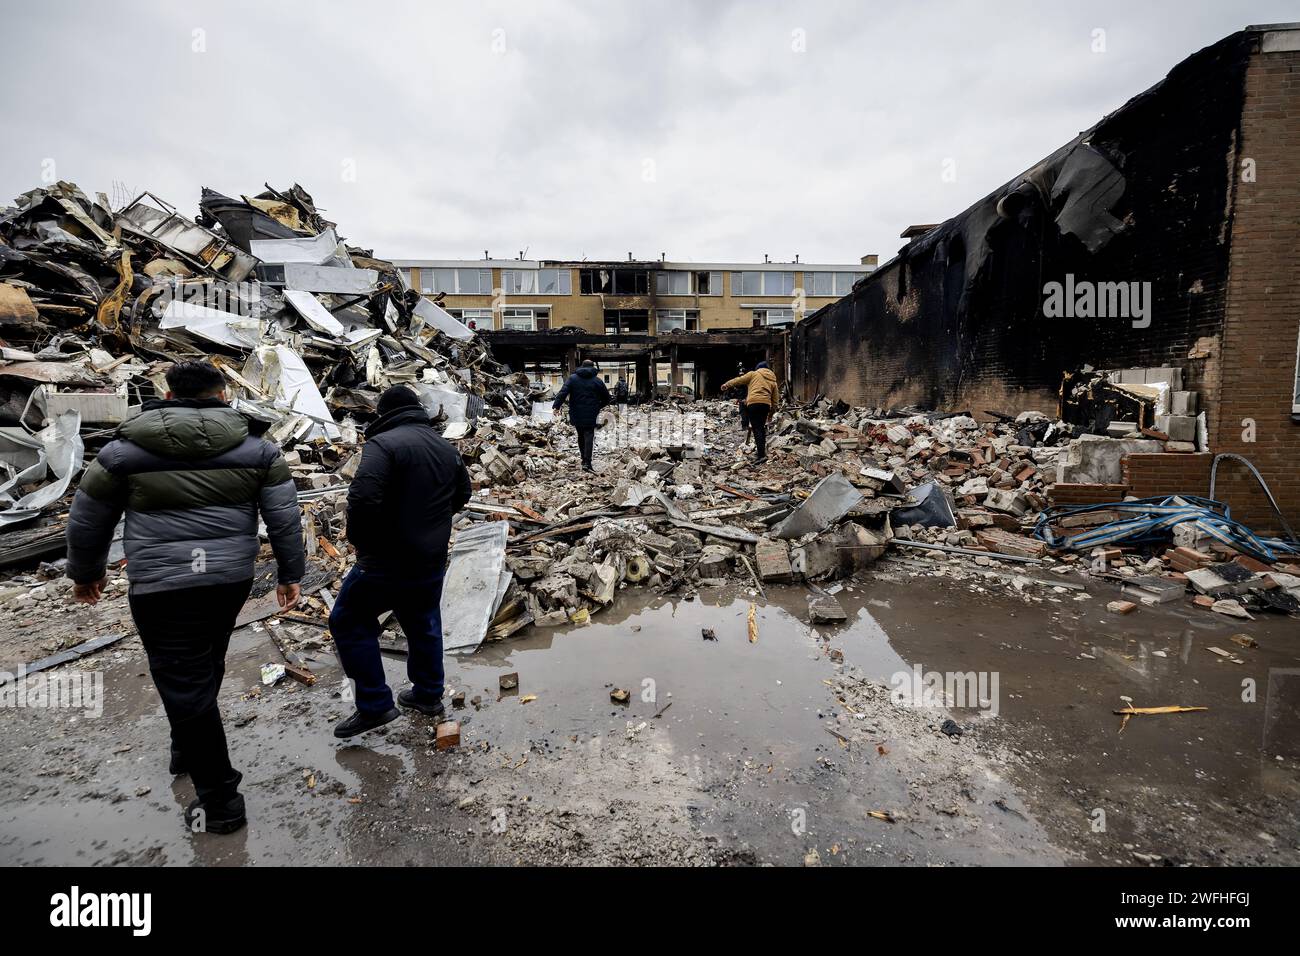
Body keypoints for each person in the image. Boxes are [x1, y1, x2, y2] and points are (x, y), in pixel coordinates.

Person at [66, 360, 304, 835]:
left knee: (184, 676)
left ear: (169, 396)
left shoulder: (122, 452)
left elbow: (89, 518)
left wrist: (86, 574)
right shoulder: (259, 449)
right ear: (222, 396)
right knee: (204, 660)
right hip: (227, 580)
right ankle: (185, 743)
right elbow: (285, 517)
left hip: (161, 583)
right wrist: (290, 573)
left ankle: (220, 800)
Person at [328, 385, 472, 739]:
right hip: (430, 559)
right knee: (422, 622)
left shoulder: (383, 444)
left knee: (348, 621)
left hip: (385, 560)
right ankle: (427, 695)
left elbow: (362, 498)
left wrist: (362, 542)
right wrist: (432, 526)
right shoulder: (444, 447)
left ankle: (375, 705)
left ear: (384, 414)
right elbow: (463, 494)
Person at [552, 359, 610, 472]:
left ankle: (583, 459)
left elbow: (563, 392)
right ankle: (587, 462)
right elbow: (607, 398)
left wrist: (556, 406)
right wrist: (598, 406)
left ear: (581, 367)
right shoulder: (597, 381)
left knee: (580, 435)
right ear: (593, 368)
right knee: (589, 435)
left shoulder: (573, 379)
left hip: (576, 412)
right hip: (591, 412)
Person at [722, 361, 779, 463]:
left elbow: (739, 380)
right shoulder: (773, 380)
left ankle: (761, 455)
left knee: (757, 429)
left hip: (754, 403)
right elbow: (775, 401)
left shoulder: (754, 374)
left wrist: (727, 384)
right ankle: (761, 452)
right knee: (761, 428)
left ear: (758, 368)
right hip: (766, 405)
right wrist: (770, 414)